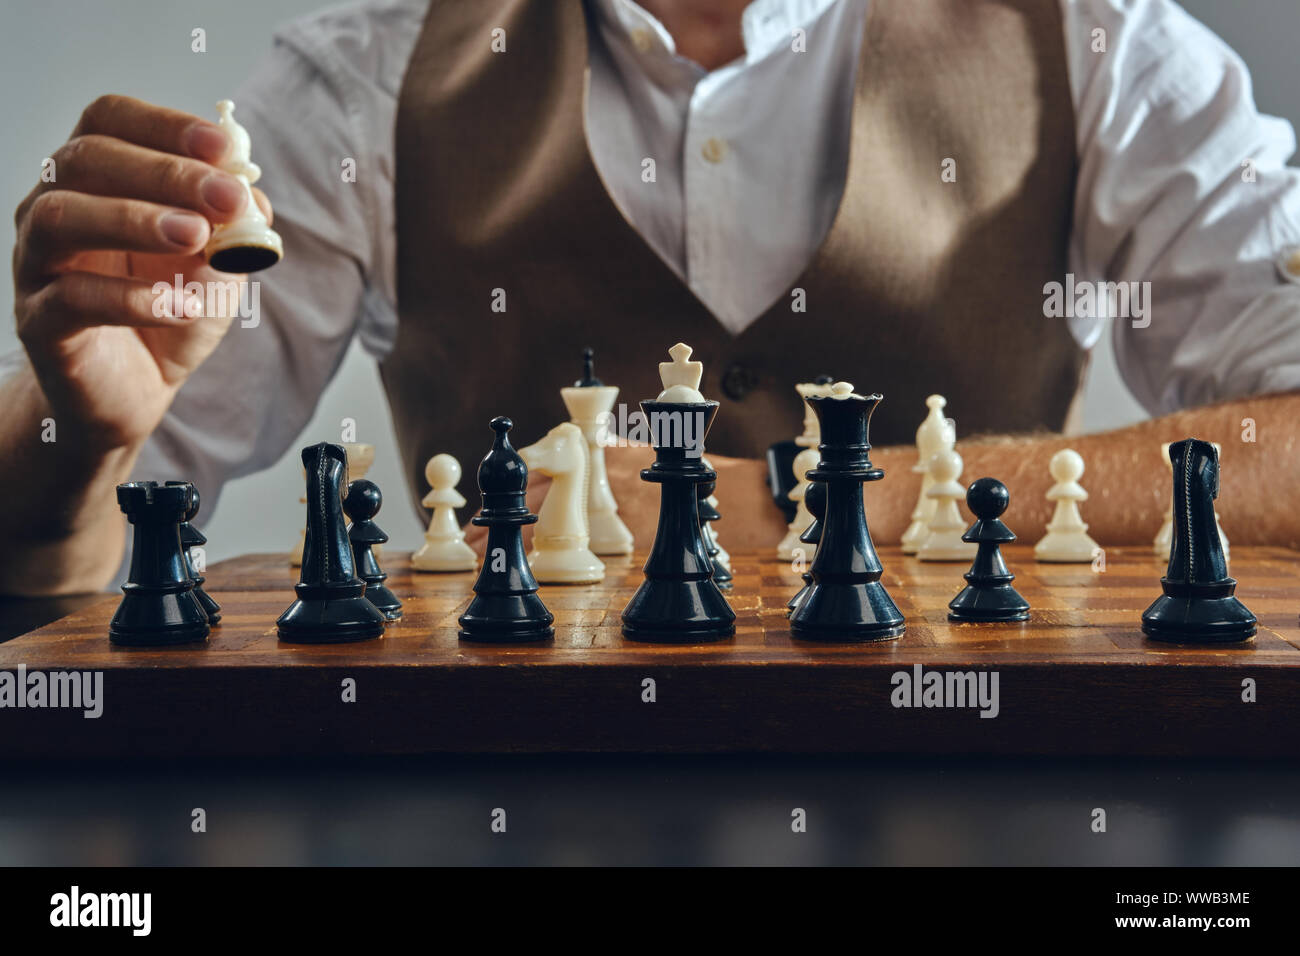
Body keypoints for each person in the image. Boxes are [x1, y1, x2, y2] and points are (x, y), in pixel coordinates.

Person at [4, 0, 1300, 596]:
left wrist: (838, 497)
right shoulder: (366, 79)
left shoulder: (1103, 49)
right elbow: (60, 574)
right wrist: (75, 443)